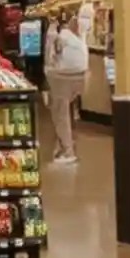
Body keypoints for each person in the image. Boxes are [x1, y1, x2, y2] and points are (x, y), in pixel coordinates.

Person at [46, 14, 88, 164]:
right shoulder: (79, 37)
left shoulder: (61, 37)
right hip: (79, 77)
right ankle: (67, 144)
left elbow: (52, 57)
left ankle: (67, 151)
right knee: (68, 113)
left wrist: (51, 32)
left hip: (61, 78)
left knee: (60, 114)